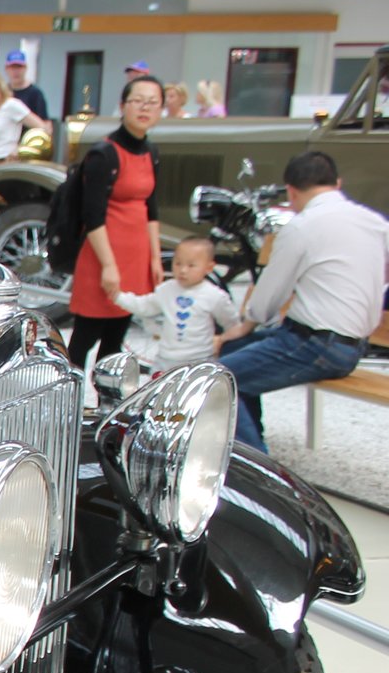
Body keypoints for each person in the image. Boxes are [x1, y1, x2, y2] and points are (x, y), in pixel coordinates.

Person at [218, 150, 389, 451]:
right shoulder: (375, 222)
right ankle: (251, 438)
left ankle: (258, 471)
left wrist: (246, 325)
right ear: (338, 183)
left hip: (316, 344)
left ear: (292, 191)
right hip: (353, 343)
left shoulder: (302, 226)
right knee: (234, 352)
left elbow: (271, 294)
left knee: (220, 380)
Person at [66, 74, 167, 373]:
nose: (144, 108)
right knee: (85, 337)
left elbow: (151, 206)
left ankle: (105, 406)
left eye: (153, 102)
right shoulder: (104, 153)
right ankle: (68, 404)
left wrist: (155, 256)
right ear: (123, 106)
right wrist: (109, 265)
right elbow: (92, 215)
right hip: (103, 255)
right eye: (138, 101)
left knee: (116, 337)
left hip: (135, 257)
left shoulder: (152, 152)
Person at [113, 237, 243, 374]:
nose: (183, 270)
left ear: (209, 267)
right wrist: (118, 296)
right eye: (178, 263)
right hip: (165, 359)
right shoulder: (166, 289)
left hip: (200, 361)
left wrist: (222, 341)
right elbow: (144, 305)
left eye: (191, 265)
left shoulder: (215, 296)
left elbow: (232, 323)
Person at [0, 75, 49, 167]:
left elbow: (41, 127)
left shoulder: (11, 105)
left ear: (1, 89)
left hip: (7, 158)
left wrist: (20, 149)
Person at [3, 50, 50, 121]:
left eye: (19, 67)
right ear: (6, 69)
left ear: (25, 68)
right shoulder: (2, 92)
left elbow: (45, 123)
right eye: (13, 67)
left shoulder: (35, 93)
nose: (16, 71)